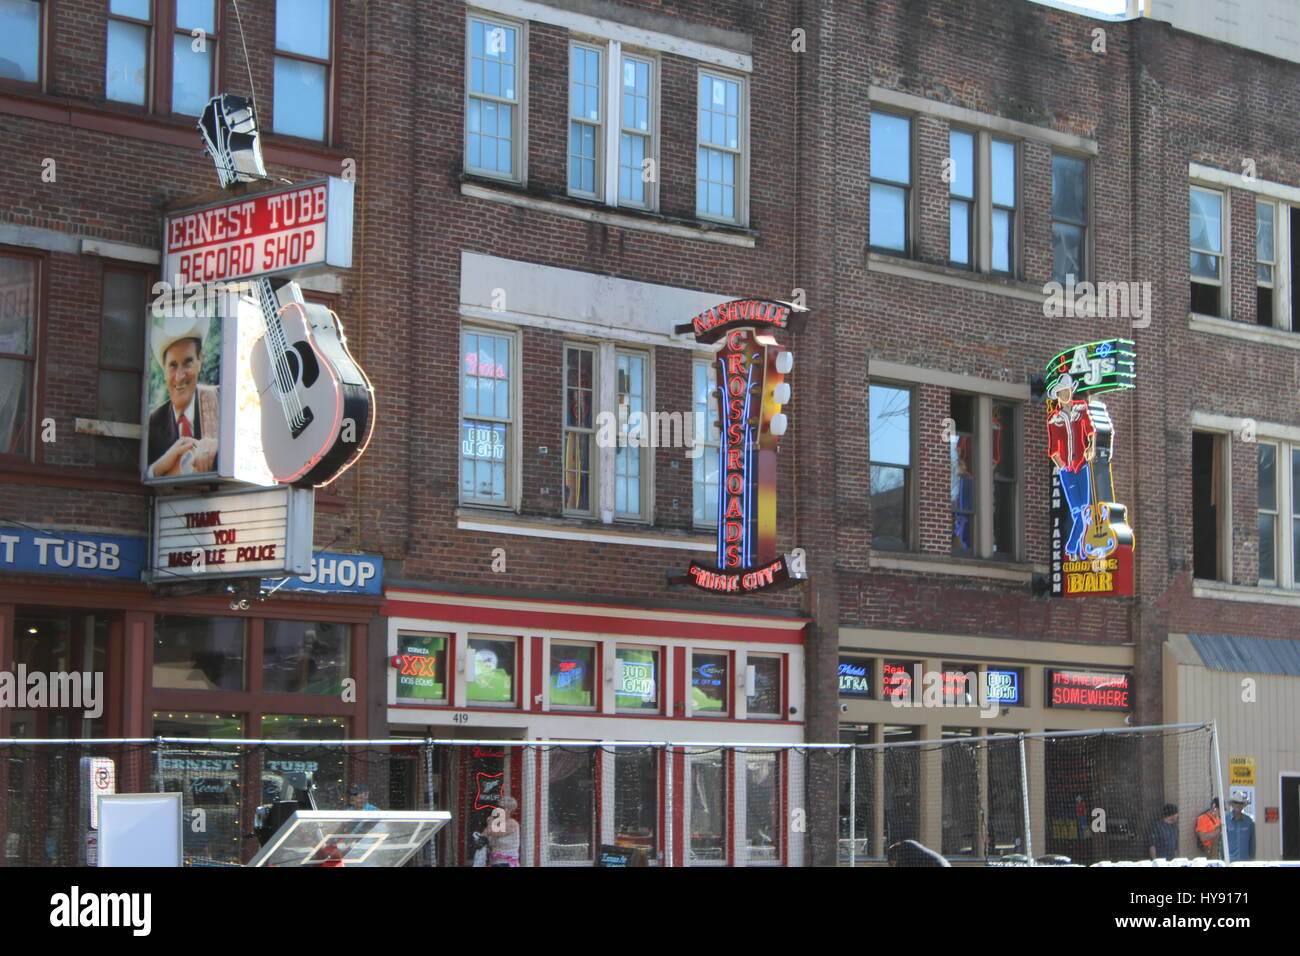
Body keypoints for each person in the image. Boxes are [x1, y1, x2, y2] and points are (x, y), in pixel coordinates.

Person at [146, 314, 219, 478]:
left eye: (187, 363)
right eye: (172, 366)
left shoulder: (224, 401)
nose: (180, 376)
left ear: (200, 360)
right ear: (164, 370)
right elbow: (145, 477)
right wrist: (157, 468)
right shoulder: (152, 424)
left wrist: (221, 447)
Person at [1045, 374, 1097, 560]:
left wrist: (1091, 447)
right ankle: (1077, 549)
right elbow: (1053, 449)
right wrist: (1062, 467)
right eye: (1060, 392)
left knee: (1085, 511)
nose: (1063, 395)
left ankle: (1073, 548)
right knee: (1078, 512)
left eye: (1066, 391)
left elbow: (1090, 430)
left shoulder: (1081, 409)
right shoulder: (1053, 419)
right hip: (1067, 470)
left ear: (1071, 391)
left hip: (1082, 465)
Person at [482, 795, 520, 867]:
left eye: (501, 808)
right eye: (497, 807)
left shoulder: (512, 823)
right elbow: (483, 836)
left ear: (509, 810)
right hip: (494, 862)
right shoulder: (496, 823)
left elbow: (493, 832)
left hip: (506, 863)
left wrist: (490, 823)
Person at [1225, 790, 1255, 862]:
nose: (1238, 805)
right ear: (1232, 804)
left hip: (1245, 861)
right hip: (1230, 861)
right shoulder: (1225, 819)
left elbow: (1252, 842)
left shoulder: (1250, 821)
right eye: (1236, 802)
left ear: (1244, 805)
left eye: (1240, 803)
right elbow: (1222, 842)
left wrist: (1251, 859)